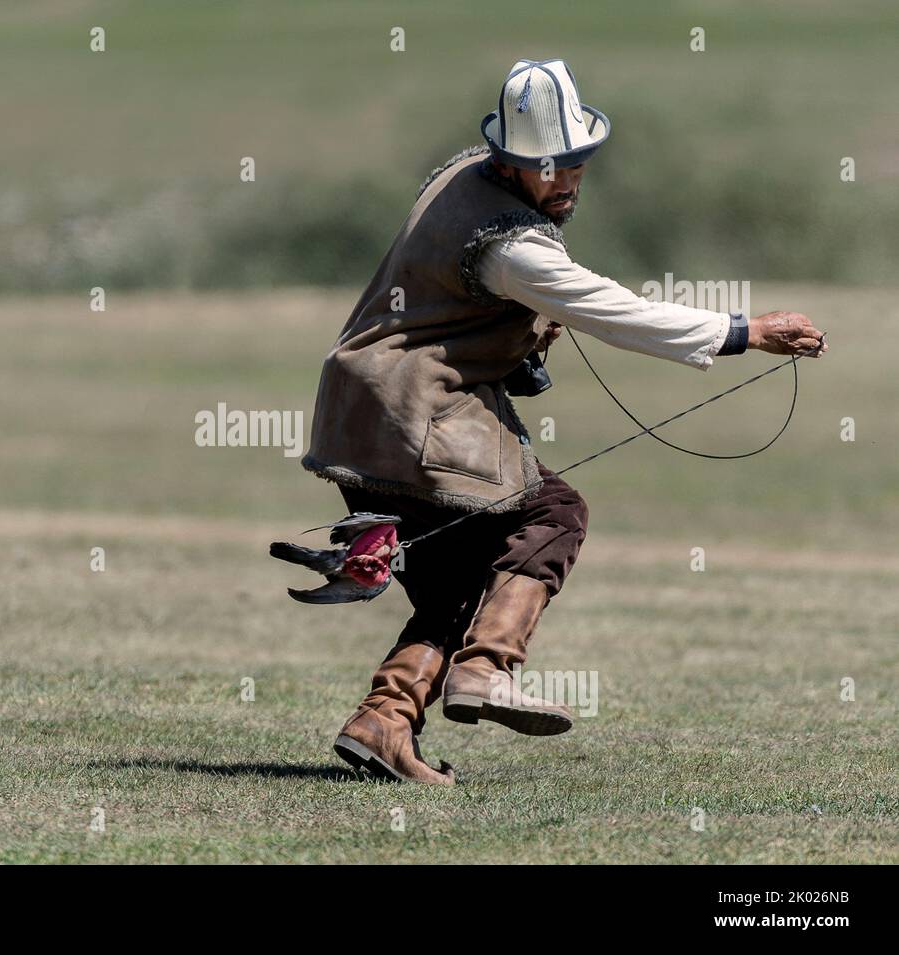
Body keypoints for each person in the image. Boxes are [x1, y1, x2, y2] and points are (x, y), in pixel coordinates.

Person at [301, 58, 827, 784]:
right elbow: (616, 312)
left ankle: (384, 722)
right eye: (546, 167)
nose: (565, 179)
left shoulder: (460, 177)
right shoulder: (513, 246)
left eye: (574, 163)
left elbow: (444, 308)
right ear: (510, 163)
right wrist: (744, 330)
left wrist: (516, 346)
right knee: (554, 513)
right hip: (412, 413)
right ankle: (485, 670)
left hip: (353, 414)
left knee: (460, 576)